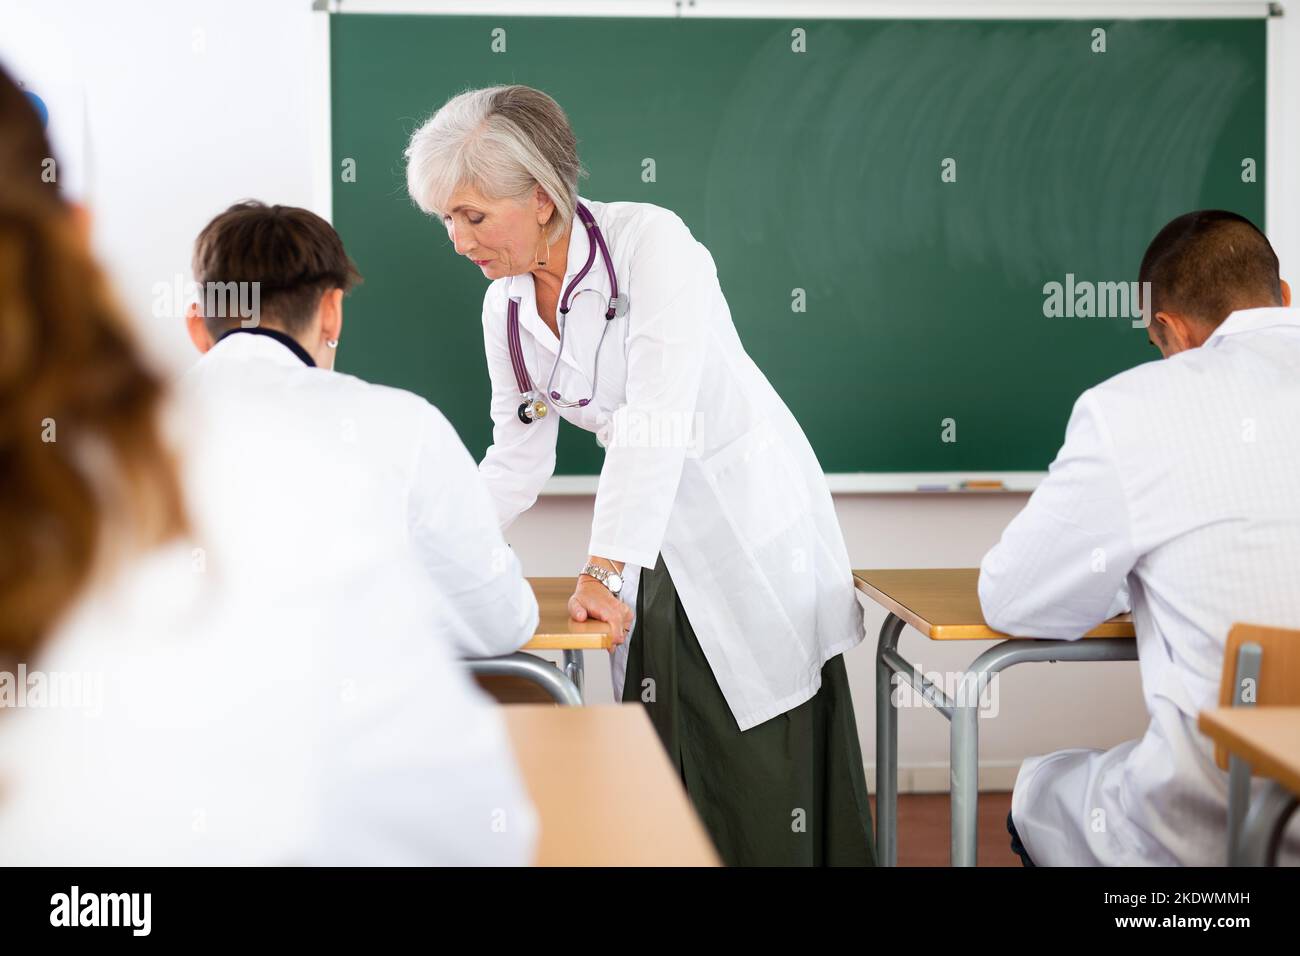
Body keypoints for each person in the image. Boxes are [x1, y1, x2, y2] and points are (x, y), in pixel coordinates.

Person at [0, 65, 536, 865]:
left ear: (195, 324)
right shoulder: (362, 440)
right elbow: (502, 636)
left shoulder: (84, 461)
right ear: (332, 310)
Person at [405, 84, 873, 866]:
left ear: (545, 200)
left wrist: (604, 565)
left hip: (736, 526)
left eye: (473, 216)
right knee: (657, 758)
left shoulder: (653, 245)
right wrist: (435, 553)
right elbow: (517, 458)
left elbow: (658, 421)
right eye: (446, 219)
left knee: (756, 768)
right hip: (643, 541)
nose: (457, 240)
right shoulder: (507, 308)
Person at [980, 210, 1300, 866]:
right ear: (1285, 297)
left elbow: (1012, 600)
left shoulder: (1132, 408)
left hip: (1225, 824)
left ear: (1168, 330)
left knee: (1040, 789)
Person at [181, 200, 537, 660]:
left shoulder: (110, 438)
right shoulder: (404, 427)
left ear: (196, 325)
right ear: (331, 311)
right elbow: (502, 623)